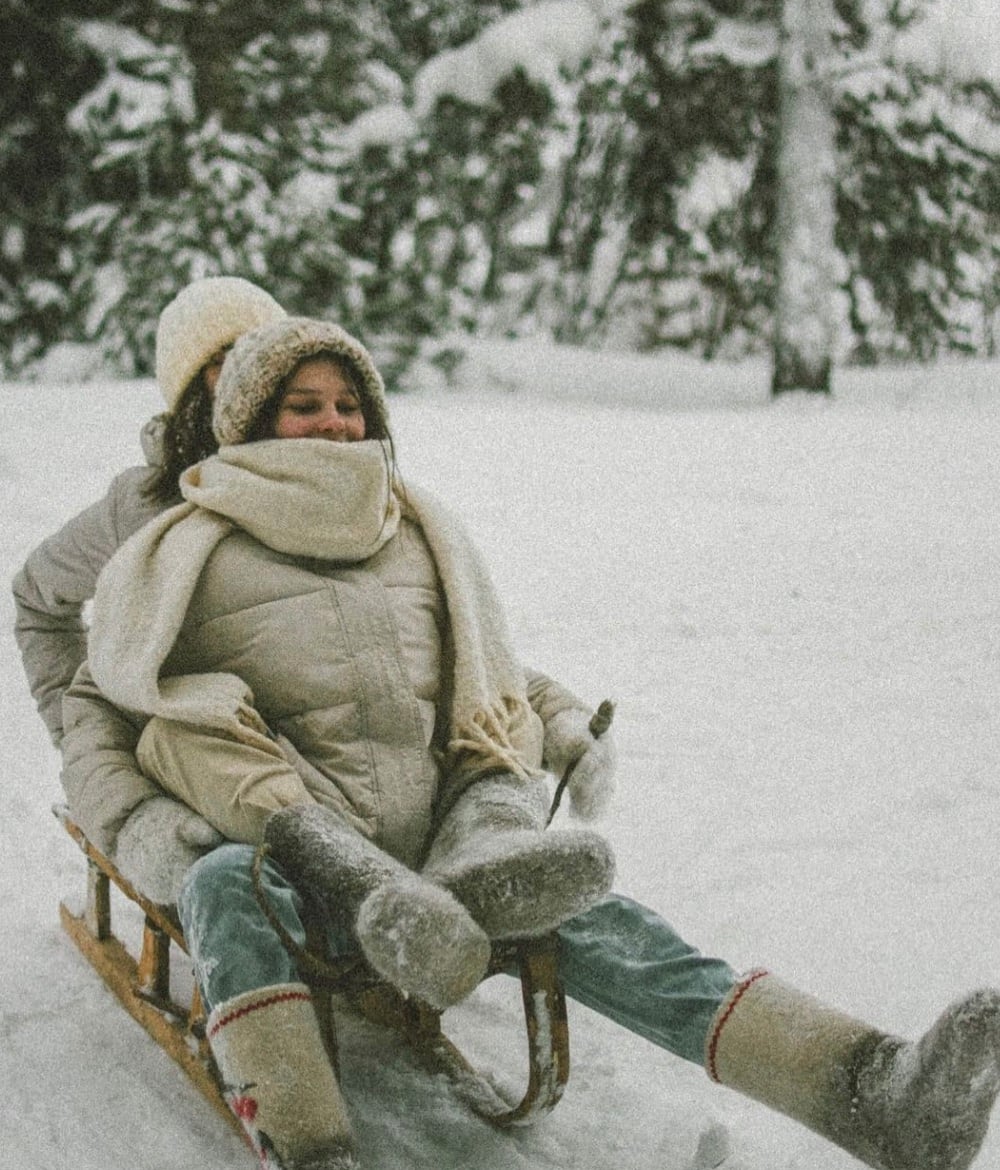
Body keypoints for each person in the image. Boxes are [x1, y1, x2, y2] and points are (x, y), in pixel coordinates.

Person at [14, 298, 1000, 1170]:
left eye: (346, 403)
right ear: (240, 415)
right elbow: (114, 705)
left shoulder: (415, 528)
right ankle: (313, 1146)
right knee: (226, 883)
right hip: (294, 854)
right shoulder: (172, 546)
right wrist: (145, 829)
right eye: (301, 404)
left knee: (567, 901)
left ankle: (876, 1093)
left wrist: (558, 720)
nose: (333, 423)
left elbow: (479, 664)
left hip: (444, 847)